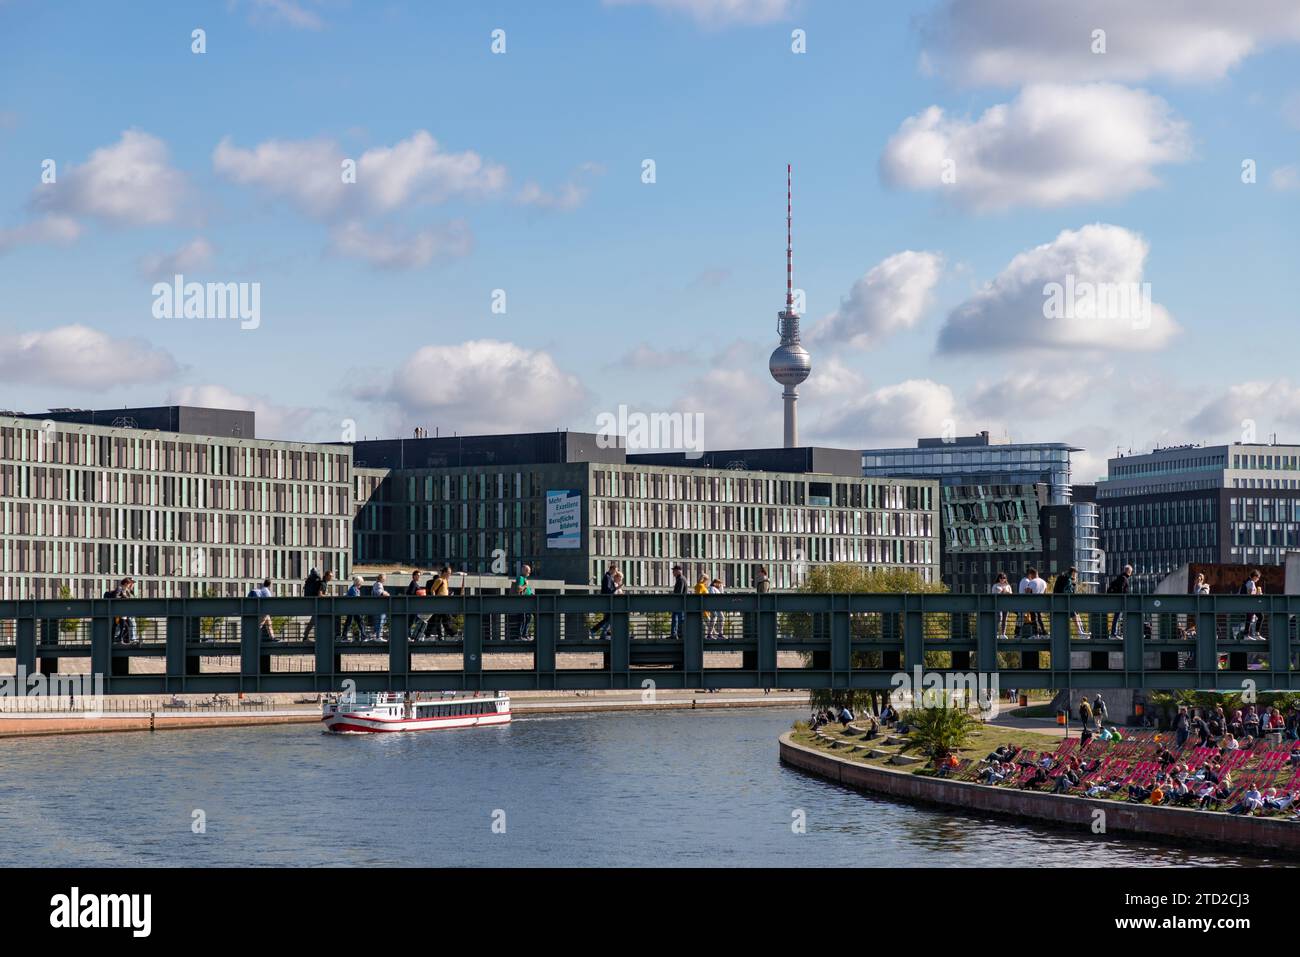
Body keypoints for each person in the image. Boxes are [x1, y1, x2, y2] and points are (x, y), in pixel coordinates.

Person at [1054, 566, 1089, 638]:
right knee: (1074, 613)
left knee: (1076, 613)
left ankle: (1082, 631)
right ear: (1073, 572)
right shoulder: (1067, 579)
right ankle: (1080, 632)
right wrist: (1074, 584)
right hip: (1062, 601)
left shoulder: (1065, 577)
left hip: (1060, 599)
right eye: (1075, 574)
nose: (1076, 576)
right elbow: (1068, 591)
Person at [590, 563, 618, 639]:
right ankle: (600, 633)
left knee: (608, 619)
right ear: (612, 569)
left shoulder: (607, 577)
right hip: (607, 601)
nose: (615, 573)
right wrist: (617, 588)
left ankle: (601, 633)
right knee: (609, 618)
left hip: (607, 601)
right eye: (615, 571)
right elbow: (608, 590)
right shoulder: (607, 577)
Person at [1018, 568, 1047, 637]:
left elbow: (1027, 593)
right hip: (1041, 603)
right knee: (1039, 618)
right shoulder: (1044, 582)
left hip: (1033, 603)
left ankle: (1036, 633)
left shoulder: (1032, 582)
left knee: (1034, 618)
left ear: (1031, 574)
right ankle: (1043, 633)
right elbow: (1045, 593)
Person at [248, 578, 276, 642]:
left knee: (269, 624)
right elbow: (269, 602)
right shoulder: (267, 591)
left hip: (263, 611)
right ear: (269, 585)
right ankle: (255, 639)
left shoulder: (261, 589)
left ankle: (272, 637)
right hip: (264, 611)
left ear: (264, 583)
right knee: (260, 625)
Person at [1238, 569, 1262, 638]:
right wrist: (1258, 594)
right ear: (1255, 576)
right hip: (1250, 604)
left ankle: (1246, 635)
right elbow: (1250, 594)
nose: (1258, 579)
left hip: (1248, 604)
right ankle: (1256, 634)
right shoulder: (1251, 583)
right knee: (1260, 616)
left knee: (1249, 618)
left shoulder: (1248, 582)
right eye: (1258, 577)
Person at [340, 575, 365, 641]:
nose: (361, 584)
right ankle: (363, 636)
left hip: (353, 608)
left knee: (351, 622)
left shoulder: (355, 589)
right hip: (353, 608)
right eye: (361, 583)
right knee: (359, 622)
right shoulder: (353, 589)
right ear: (358, 582)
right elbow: (356, 600)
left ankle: (344, 637)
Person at [302, 567, 323, 640]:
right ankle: (309, 636)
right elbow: (318, 592)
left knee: (314, 619)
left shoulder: (308, 580)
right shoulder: (317, 580)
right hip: (315, 602)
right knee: (316, 619)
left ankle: (306, 635)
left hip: (308, 602)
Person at [515, 564, 535, 641]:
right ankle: (521, 636)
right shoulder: (521, 578)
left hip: (528, 602)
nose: (529, 573)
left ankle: (525, 635)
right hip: (523, 602)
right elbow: (518, 589)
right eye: (527, 571)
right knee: (523, 618)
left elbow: (527, 591)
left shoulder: (525, 579)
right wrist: (526, 585)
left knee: (528, 617)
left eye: (529, 571)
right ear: (523, 570)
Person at [991, 572, 1012, 638]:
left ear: (1006, 579)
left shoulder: (1008, 586)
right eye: (1001, 578)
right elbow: (993, 594)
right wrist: (1000, 592)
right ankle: (996, 633)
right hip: (998, 604)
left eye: (1004, 578)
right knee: (999, 618)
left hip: (1006, 604)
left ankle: (1003, 634)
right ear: (999, 578)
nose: (1002, 579)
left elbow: (1011, 594)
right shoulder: (995, 585)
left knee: (1004, 619)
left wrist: (1007, 592)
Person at [669, 564, 688, 639]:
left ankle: (678, 635)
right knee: (677, 618)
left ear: (678, 571)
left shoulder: (681, 579)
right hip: (679, 603)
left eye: (674, 571)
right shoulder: (681, 579)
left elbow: (679, 593)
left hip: (679, 603)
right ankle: (676, 634)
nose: (673, 572)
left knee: (679, 619)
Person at [370, 573, 389, 642]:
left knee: (381, 621)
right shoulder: (378, 584)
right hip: (379, 607)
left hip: (377, 606)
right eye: (384, 578)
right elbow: (381, 593)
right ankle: (378, 637)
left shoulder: (376, 584)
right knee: (380, 621)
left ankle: (376, 636)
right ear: (381, 578)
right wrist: (387, 593)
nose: (385, 579)